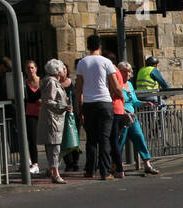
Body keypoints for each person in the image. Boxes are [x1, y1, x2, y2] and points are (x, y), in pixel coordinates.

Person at [74, 35, 122, 181]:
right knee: (104, 139)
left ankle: (90, 170)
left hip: (89, 103)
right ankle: (105, 172)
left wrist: (79, 108)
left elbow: (78, 88)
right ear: (100, 47)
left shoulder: (82, 63)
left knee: (91, 139)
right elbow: (115, 85)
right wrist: (121, 95)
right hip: (104, 102)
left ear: (88, 46)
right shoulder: (106, 62)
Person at [116, 62, 160, 176]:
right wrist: (123, 111)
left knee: (139, 137)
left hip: (132, 117)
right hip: (122, 117)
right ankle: (116, 166)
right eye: (125, 72)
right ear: (119, 72)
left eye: (129, 72)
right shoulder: (116, 84)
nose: (128, 74)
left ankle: (147, 164)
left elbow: (134, 101)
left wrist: (144, 103)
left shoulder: (129, 84)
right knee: (120, 142)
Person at [37, 59, 70, 184]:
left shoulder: (53, 82)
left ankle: (53, 171)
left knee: (53, 147)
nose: (64, 71)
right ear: (57, 71)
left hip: (54, 119)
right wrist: (63, 106)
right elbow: (48, 100)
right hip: (53, 119)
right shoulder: (51, 82)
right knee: (54, 147)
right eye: (62, 69)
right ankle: (55, 173)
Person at [24, 61, 41, 175]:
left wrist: (43, 100)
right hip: (30, 112)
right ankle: (35, 163)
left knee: (48, 138)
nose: (30, 70)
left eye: (32, 68)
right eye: (28, 68)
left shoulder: (43, 81)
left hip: (42, 111)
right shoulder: (24, 83)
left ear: (36, 68)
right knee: (32, 139)